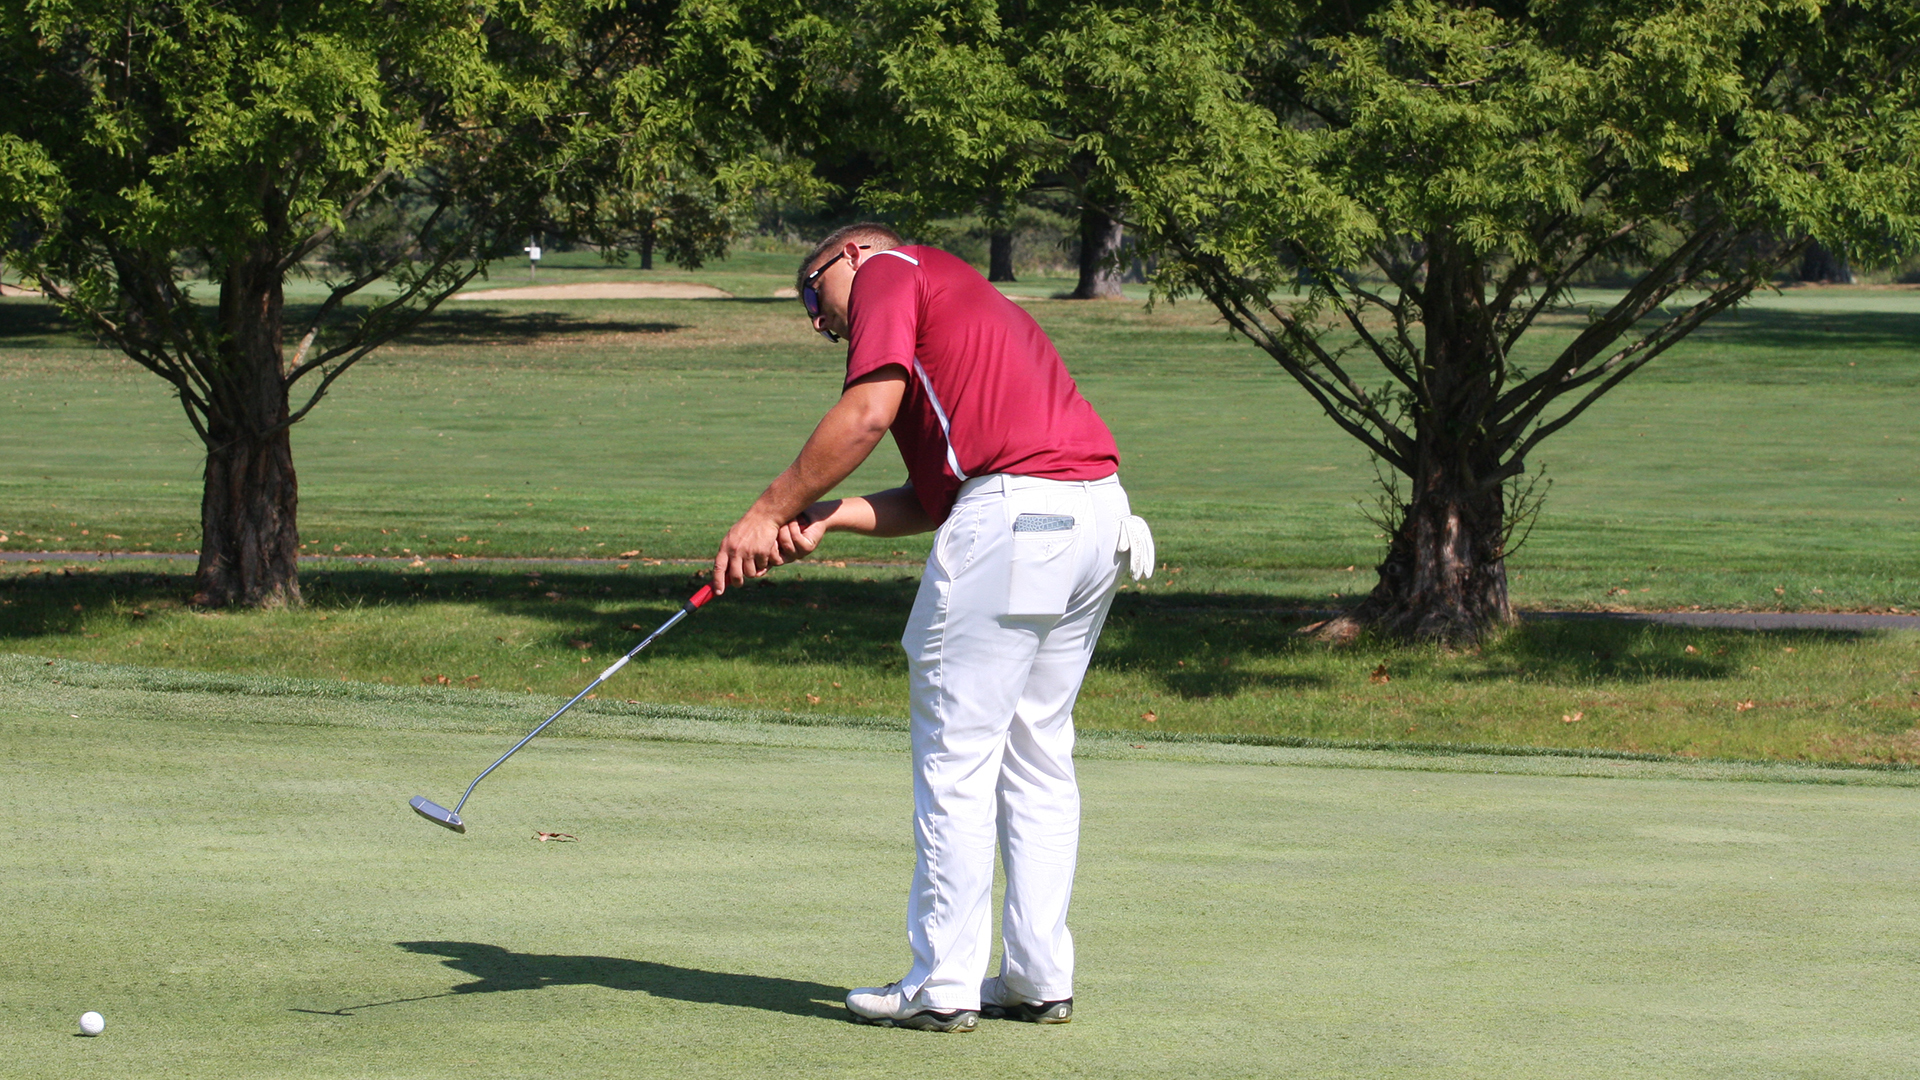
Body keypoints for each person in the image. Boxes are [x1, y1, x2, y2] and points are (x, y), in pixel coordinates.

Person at [711, 222, 1153, 1033]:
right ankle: (1035, 976)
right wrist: (827, 515)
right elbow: (939, 499)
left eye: (813, 293)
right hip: (1098, 516)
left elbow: (865, 413)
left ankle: (941, 985)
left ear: (851, 254)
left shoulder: (886, 270)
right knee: (1036, 751)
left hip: (1019, 516)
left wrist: (762, 511)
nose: (816, 319)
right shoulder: (955, 309)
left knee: (958, 755)